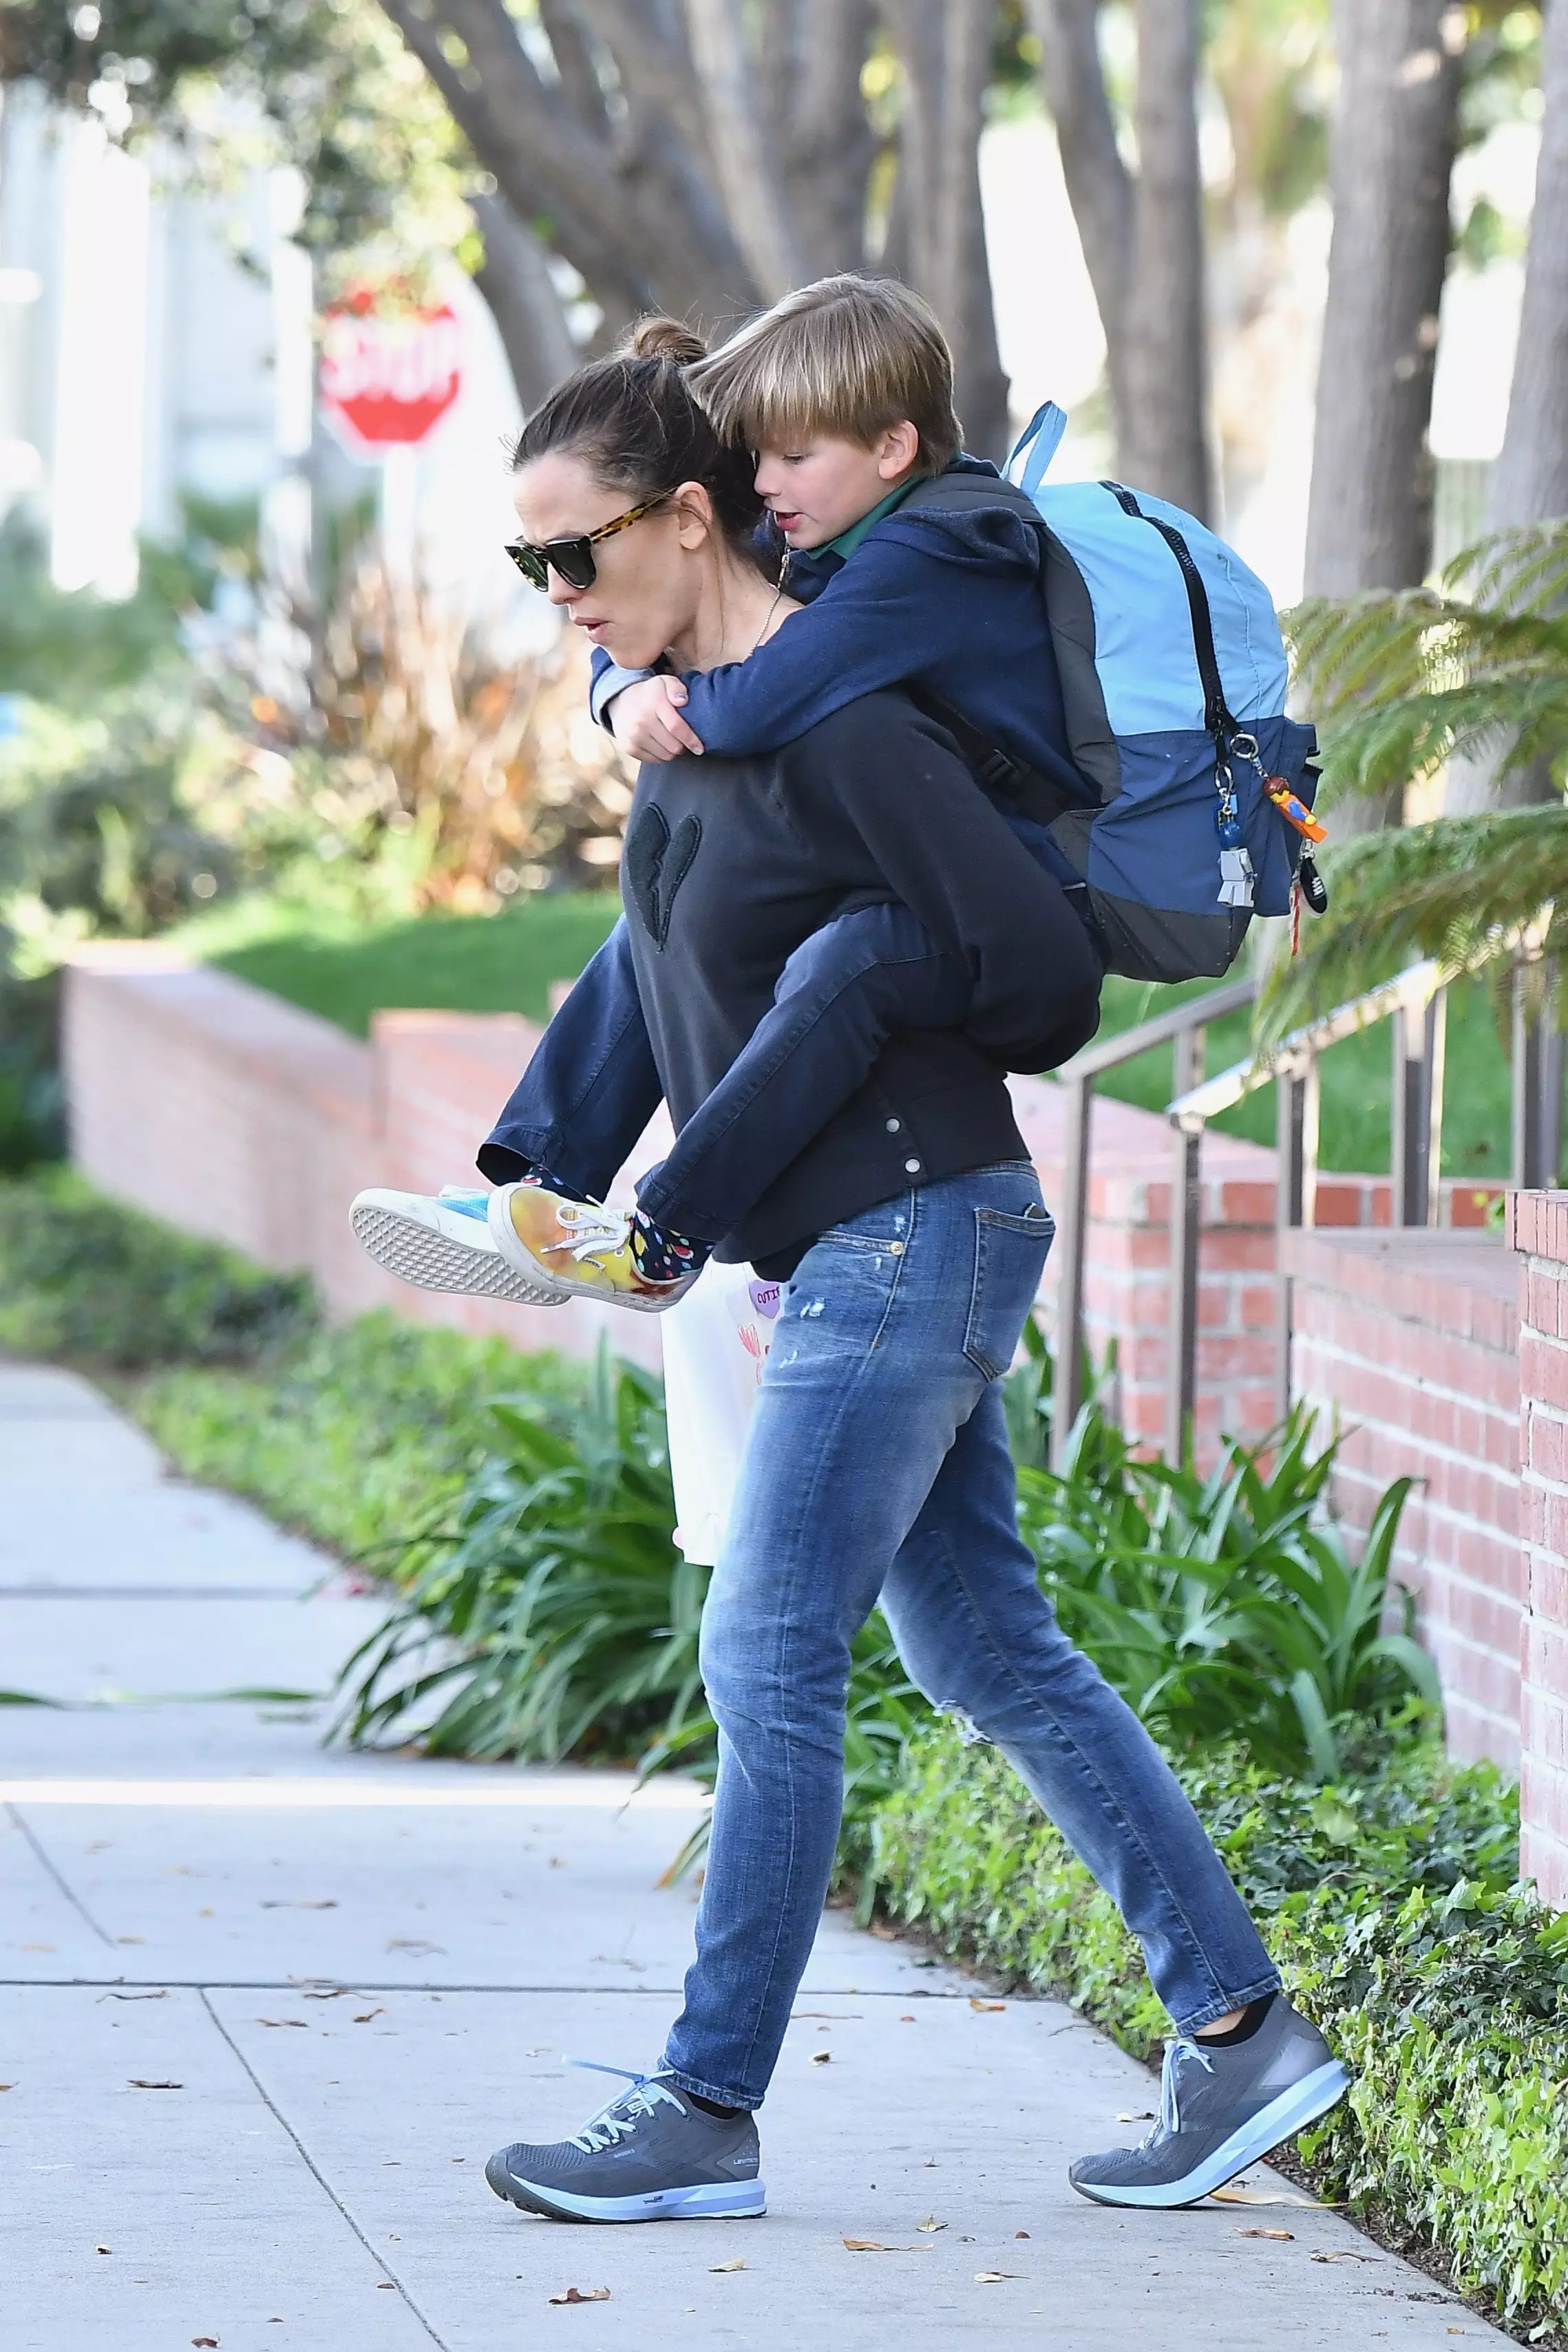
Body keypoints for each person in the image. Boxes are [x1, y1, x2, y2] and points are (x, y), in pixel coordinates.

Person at [358, 332, 1350, 2221]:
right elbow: (649, 981)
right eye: (527, 572)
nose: (557, 604)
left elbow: (1033, 975)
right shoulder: (687, 729)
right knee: (985, 1650)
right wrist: (536, 1182)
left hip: (918, 1227)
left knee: (767, 1653)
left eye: (573, 559)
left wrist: (854, 993)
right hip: (844, 1246)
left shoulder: (847, 724)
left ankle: (701, 2113)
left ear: (684, 517)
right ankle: (1243, 2038)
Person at [350, 279, 1103, 1310]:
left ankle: (663, 1237)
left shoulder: (930, 554)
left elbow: (762, 696)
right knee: (655, 920)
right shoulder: (817, 532)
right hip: (922, 949)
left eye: (792, 455)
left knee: (859, 955)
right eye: (536, 566)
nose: (767, 482)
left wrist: (658, 703)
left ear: (888, 449)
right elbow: (684, 595)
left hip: (1014, 885)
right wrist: (622, 688)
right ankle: (544, 1183)